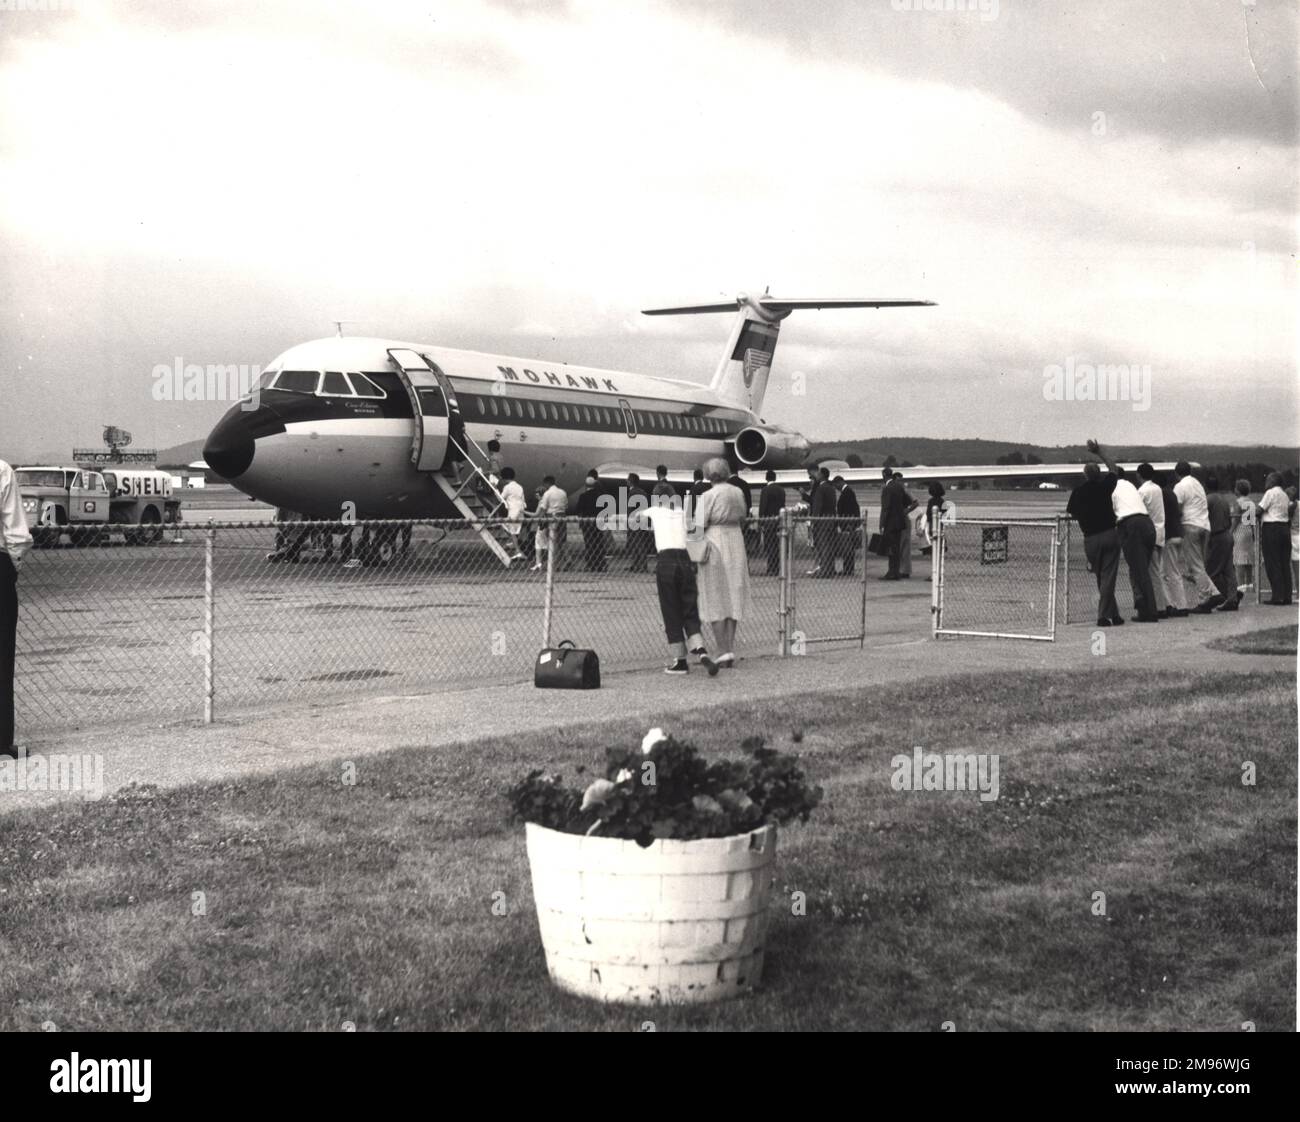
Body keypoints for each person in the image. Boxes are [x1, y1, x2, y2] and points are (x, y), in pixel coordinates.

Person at [642, 499, 717, 676]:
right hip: (685, 560)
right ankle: (700, 649)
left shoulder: (655, 510)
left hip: (666, 561)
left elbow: (636, 517)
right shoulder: (682, 513)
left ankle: (680, 661)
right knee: (690, 608)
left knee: (671, 610)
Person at [1088, 441, 1158, 621]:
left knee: (1139, 570)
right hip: (1147, 523)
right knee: (1139, 570)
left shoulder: (1111, 487)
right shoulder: (1130, 485)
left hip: (1131, 525)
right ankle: (1143, 607)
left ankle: (1150, 612)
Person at [692, 458, 753, 669]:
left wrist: (692, 550)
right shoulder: (737, 492)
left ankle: (722, 648)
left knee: (715, 595)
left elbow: (698, 525)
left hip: (715, 541)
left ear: (709, 475)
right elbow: (744, 515)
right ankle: (730, 647)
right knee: (733, 593)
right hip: (735, 540)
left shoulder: (708, 495)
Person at [1, 459, 32, 758]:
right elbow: (16, 532)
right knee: (1, 655)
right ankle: (0, 743)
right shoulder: (1, 470)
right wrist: (13, 565)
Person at [1066, 462, 1121, 625]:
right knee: (1108, 577)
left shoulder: (1078, 492)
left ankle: (1114, 614)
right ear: (1099, 474)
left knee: (1101, 577)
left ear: (1085, 475)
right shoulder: (1105, 487)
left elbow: (1071, 513)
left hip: (1090, 538)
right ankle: (1103, 616)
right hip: (1109, 534)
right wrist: (1099, 452)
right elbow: (1114, 469)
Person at [1172, 461, 1224, 612]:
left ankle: (1209, 596)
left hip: (1190, 525)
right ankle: (1209, 597)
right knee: (1199, 564)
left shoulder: (1180, 486)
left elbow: (1178, 508)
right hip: (1204, 525)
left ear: (1177, 474)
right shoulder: (1198, 484)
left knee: (1195, 566)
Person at [1134, 463, 1168, 618]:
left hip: (1149, 533)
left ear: (1139, 475)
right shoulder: (1157, 489)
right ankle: (1162, 605)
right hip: (1160, 531)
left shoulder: (1142, 491)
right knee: (1157, 571)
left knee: (1151, 573)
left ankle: (1158, 607)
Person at [1203, 475, 1239, 611]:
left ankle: (1218, 597)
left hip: (1217, 535)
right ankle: (1233, 597)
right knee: (1229, 570)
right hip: (1227, 534)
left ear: (1206, 486)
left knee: (1212, 570)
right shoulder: (1224, 499)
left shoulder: (1208, 499)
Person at [1258, 472, 1293, 605]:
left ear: (1273, 481)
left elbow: (1259, 509)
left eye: (1268, 479)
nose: (1266, 481)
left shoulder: (1270, 493)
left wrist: (1250, 516)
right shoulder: (1284, 495)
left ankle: (1277, 596)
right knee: (1284, 563)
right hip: (1284, 528)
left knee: (1273, 562)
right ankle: (1286, 596)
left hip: (1272, 528)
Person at [879, 469, 917, 581]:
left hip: (890, 523)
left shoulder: (886, 489)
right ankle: (896, 572)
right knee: (897, 548)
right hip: (900, 523)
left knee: (891, 549)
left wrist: (881, 524)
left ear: (884, 476)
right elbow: (909, 502)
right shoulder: (900, 488)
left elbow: (885, 508)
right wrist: (902, 512)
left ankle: (892, 572)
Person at [1160, 475, 1188, 616]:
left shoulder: (1162, 495)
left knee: (1168, 573)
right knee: (1169, 572)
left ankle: (1176, 605)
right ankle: (1174, 604)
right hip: (1178, 534)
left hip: (1169, 536)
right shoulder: (1171, 493)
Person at [531, 475, 568, 572]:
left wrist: (542, 519)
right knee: (560, 541)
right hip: (562, 516)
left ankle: (553, 564)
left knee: (552, 540)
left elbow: (543, 508)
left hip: (551, 516)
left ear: (547, 483)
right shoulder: (562, 492)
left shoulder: (547, 493)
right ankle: (561, 562)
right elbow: (566, 505)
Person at [923, 482, 957, 580]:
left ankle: (935, 574)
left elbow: (929, 516)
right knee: (939, 553)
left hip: (933, 528)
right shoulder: (943, 502)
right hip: (941, 528)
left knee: (934, 553)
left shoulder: (931, 501)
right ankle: (938, 574)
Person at [575, 472, 607, 571]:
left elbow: (578, 509)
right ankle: (601, 564)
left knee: (589, 544)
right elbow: (605, 508)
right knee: (599, 543)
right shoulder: (600, 496)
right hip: (598, 523)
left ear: (586, 485)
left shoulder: (583, 496)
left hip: (587, 524)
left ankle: (591, 564)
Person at [810, 466, 837, 577]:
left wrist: (813, 520)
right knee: (830, 546)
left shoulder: (821, 489)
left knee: (823, 546)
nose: (816, 475)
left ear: (822, 475)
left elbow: (817, 506)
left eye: (818, 474)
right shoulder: (831, 488)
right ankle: (830, 569)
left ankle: (825, 571)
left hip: (822, 521)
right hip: (831, 520)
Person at [758, 469, 786, 576]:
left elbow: (763, 507)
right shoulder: (781, 490)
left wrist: (761, 522)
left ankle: (771, 568)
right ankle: (776, 568)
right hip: (778, 521)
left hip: (768, 522)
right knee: (777, 546)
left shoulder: (765, 490)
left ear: (766, 478)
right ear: (775, 478)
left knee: (769, 546)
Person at [1231, 479, 1256, 594]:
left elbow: (1236, 519)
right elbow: (1251, 521)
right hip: (1249, 530)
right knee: (1248, 559)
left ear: (1238, 490)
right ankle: (1250, 584)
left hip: (1240, 530)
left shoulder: (1238, 502)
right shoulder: (1251, 502)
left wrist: (1230, 532)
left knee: (1239, 559)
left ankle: (1241, 585)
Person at [624, 473, 652, 572]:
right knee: (640, 544)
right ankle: (639, 565)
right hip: (642, 521)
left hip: (634, 522)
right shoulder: (643, 492)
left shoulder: (632, 493)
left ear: (630, 481)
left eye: (628, 479)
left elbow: (630, 509)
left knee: (636, 544)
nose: (626, 481)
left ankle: (640, 566)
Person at [498, 467, 527, 561]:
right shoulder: (519, 486)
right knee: (515, 530)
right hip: (520, 510)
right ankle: (512, 543)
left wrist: (496, 490)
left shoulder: (507, 487)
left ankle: (518, 550)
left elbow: (501, 499)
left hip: (513, 511)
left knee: (508, 528)